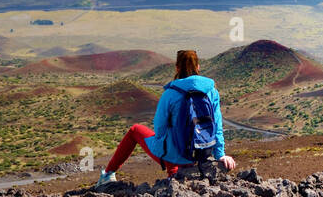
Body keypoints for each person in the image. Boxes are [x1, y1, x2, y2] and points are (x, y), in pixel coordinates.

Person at [98, 49, 236, 184]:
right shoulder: (212, 91)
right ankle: (175, 174)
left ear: (177, 68)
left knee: (135, 130)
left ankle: (108, 175)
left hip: (174, 155)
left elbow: (160, 127)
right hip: (202, 153)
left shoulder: (170, 93)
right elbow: (217, 124)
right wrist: (220, 154)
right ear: (198, 67)